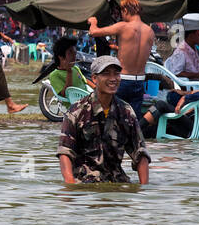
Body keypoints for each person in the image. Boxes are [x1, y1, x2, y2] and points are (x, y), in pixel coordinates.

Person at [57, 55, 151, 185]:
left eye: (116, 74)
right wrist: (70, 186)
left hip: (117, 182)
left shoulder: (126, 112)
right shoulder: (77, 111)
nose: (113, 79)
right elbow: (65, 152)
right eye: (106, 74)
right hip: (84, 184)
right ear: (94, 78)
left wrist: (144, 189)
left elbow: (140, 153)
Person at [141, 56, 199, 137]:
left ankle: (136, 130)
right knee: (153, 130)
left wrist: (185, 98)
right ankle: (137, 133)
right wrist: (186, 94)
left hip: (195, 128)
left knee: (161, 105)